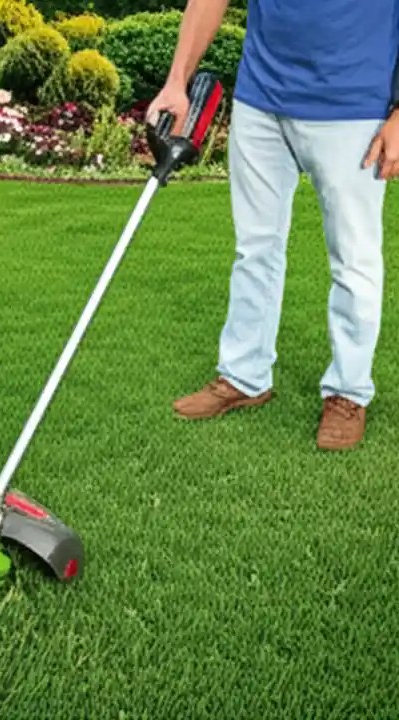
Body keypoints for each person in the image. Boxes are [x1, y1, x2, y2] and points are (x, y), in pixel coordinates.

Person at [152, 0, 399, 450]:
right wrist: (176, 81)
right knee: (254, 247)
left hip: (354, 105)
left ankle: (348, 391)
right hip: (260, 100)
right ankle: (244, 375)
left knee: (353, 259)